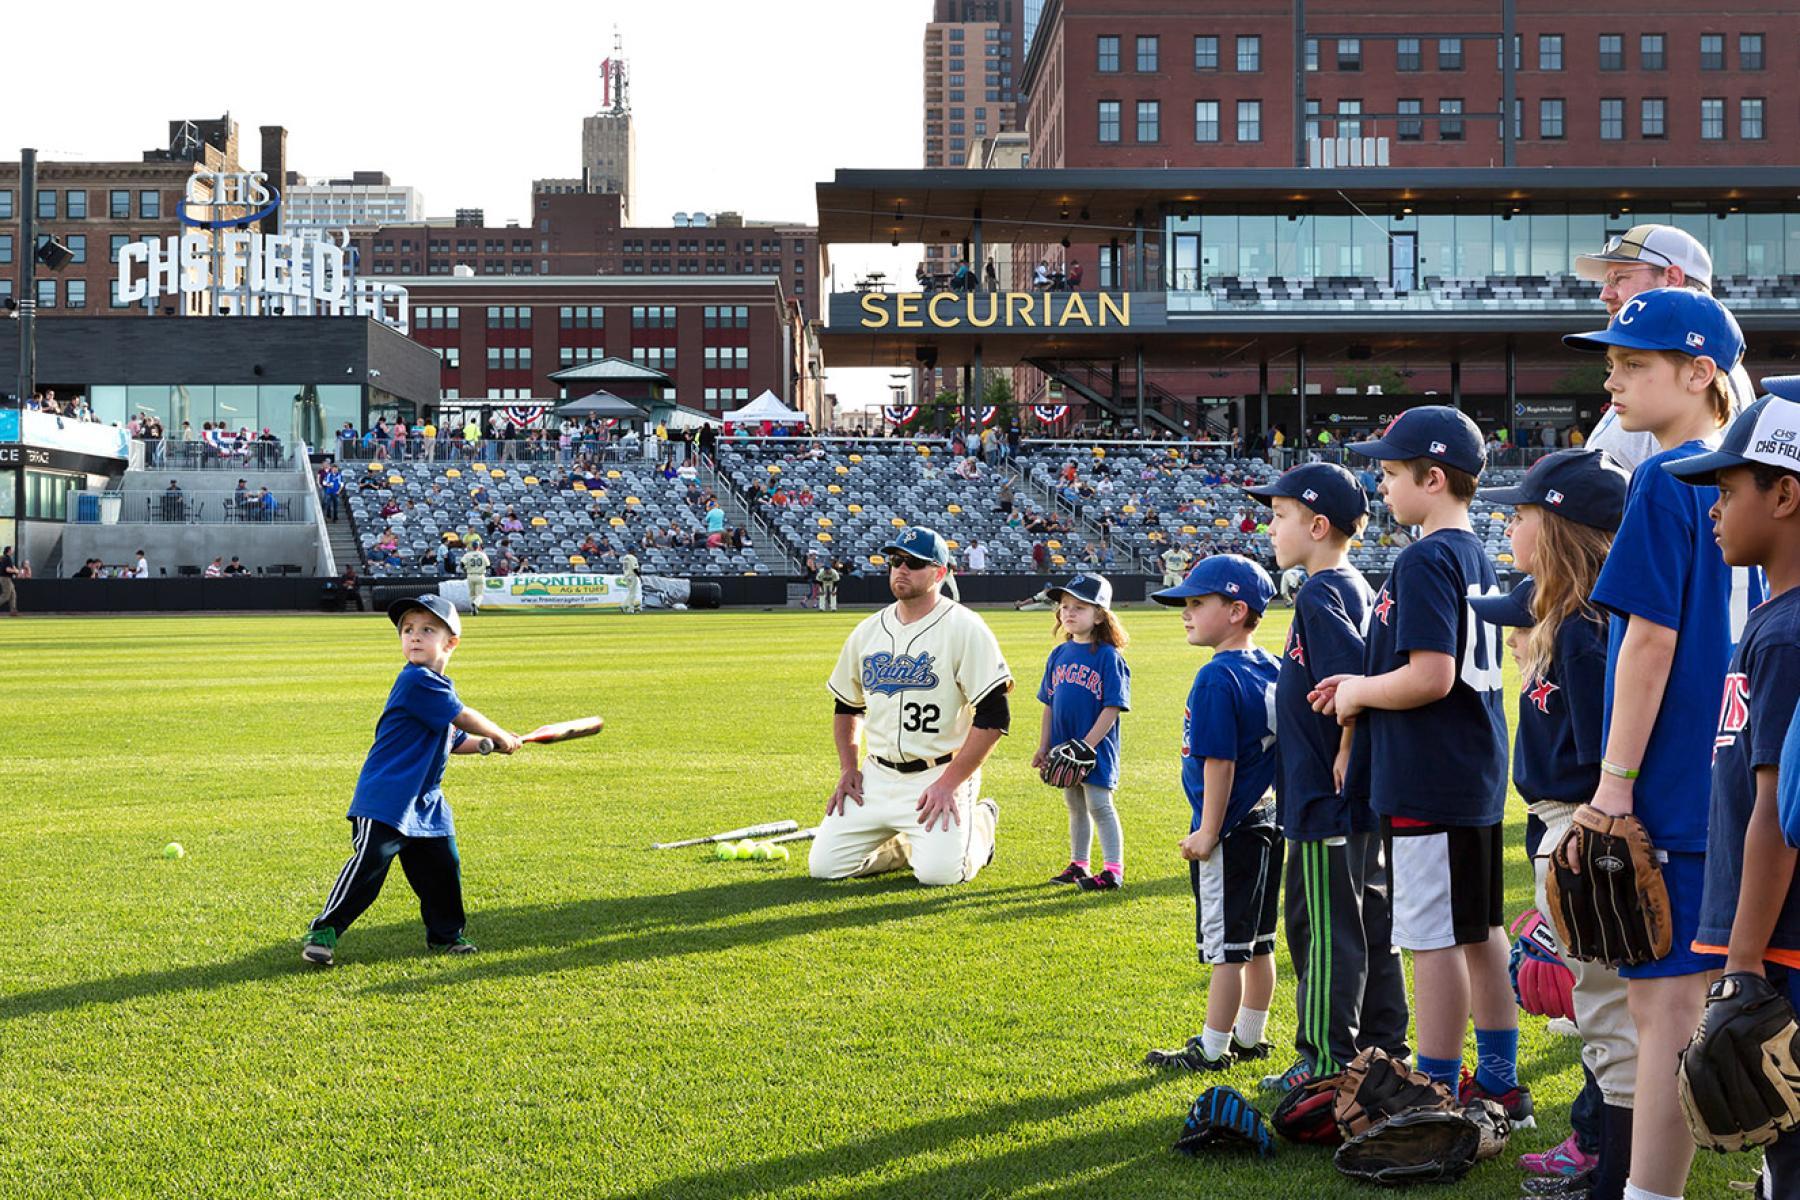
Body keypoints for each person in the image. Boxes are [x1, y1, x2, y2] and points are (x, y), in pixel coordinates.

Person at [1560, 289, 1766, 1200]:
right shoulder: (1768, 475)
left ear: (1699, 372)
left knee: (1665, 1010)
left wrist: (1612, 786)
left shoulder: (1667, 475)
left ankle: (1648, 1195)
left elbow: (1646, 642)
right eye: (1611, 362)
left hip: (1682, 784)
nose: (1612, 380)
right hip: (1762, 774)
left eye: (1633, 363)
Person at [1314, 407, 1524, 1123]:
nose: (1382, 484)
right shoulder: (1473, 551)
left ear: (1433, 479)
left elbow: (1431, 675)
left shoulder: (1425, 556)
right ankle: (1498, 1078)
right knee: (1479, 928)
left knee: (1432, 937)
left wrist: (1356, 688)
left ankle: (1432, 1089)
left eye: (1392, 472)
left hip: (1432, 774)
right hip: (1469, 769)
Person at [1472, 449, 1633, 1195]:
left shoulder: (1581, 631)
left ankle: (1610, 1157)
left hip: (1580, 824)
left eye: (1522, 514)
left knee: (1607, 1015)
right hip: (1558, 824)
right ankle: (1603, 1145)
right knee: (1601, 1011)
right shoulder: (1572, 623)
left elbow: (1609, 755)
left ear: (1560, 528)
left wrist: (1583, 854)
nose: (1509, 525)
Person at [1662, 383, 1800, 1198]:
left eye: (1727, 489)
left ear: (1784, 492)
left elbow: (1780, 814)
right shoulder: (1775, 620)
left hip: (1779, 940)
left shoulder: (1785, 633)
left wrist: (1742, 966)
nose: (1714, 509)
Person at [1242, 463, 1407, 1094]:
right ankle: (1383, 1045)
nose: (1270, 526)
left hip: (1324, 794)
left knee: (1323, 929)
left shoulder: (1320, 591)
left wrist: (1344, 747)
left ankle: (1324, 1059)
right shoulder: (1352, 585)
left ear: (1316, 525)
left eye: (1280, 515)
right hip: (1355, 796)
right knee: (1369, 923)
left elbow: (1347, 686)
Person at [300, 595, 521, 967]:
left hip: (426, 802)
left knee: (442, 871)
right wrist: (500, 734)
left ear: (451, 642)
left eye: (427, 630)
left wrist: (488, 745)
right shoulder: (417, 681)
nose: (414, 637)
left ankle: (446, 936)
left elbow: (453, 739)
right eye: (407, 630)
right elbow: (463, 716)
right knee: (370, 864)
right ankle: (324, 929)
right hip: (386, 796)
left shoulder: (437, 687)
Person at [1141, 555, 1282, 1071]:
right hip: (1266, 817)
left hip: (1230, 825)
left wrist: (1208, 830)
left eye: (1198, 603)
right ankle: (1250, 1037)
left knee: (1227, 948)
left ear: (1236, 610)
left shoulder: (1216, 678)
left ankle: (1214, 1046)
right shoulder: (1271, 667)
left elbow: (1219, 762)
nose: (1186, 612)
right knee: (1259, 940)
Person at [812, 526, 1008, 887]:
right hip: (875, 774)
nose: (902, 569)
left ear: (939, 573)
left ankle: (981, 823)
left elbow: (996, 717)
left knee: (940, 876)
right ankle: (909, 843)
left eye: (914, 563)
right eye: (896, 560)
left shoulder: (965, 627)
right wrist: (847, 769)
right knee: (824, 867)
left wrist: (950, 784)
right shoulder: (868, 631)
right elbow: (846, 706)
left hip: (938, 774)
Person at [1574, 224, 1755, 469]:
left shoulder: (1700, 363)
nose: (1605, 295)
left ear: (1671, 278)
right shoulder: (1672, 362)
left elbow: (1696, 488)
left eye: (1619, 279)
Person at [1034, 574, 1131, 892]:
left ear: (1100, 614)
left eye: (1079, 607)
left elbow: (1113, 706)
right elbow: (1048, 703)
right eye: (1064, 607)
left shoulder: (1107, 656)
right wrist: (1043, 746)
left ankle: (1113, 870)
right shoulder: (1058, 654)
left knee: (1099, 805)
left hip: (1095, 747)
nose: (1069, 613)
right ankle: (1079, 864)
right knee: (1075, 805)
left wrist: (1086, 746)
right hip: (1063, 746)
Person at [461, 536, 490, 614]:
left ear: (472, 547)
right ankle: (475, 604)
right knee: (479, 594)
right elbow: (488, 565)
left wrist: (466, 569)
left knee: (472, 594)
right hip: (480, 575)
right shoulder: (483, 555)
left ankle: (473, 610)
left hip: (470, 575)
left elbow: (461, 564)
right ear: (478, 546)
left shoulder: (468, 555)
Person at [620, 549, 642, 614]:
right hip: (632, 576)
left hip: (627, 576)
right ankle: (629, 608)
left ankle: (626, 606)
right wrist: (639, 576)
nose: (635, 551)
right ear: (632, 551)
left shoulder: (625, 558)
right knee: (633, 593)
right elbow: (635, 568)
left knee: (631, 593)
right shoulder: (633, 558)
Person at [0, 546, 17, 616]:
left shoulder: (6, 558)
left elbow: (11, 567)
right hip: (5, 578)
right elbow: (7, 570)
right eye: (12, 549)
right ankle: (13, 611)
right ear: (9, 550)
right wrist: (15, 571)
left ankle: (13, 611)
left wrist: (15, 570)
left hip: (7, 578)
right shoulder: (7, 558)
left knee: (13, 594)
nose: (13, 550)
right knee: (6, 596)